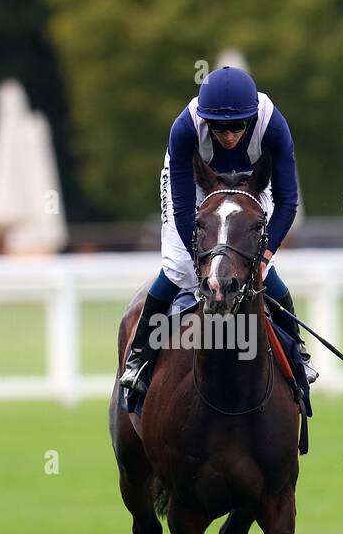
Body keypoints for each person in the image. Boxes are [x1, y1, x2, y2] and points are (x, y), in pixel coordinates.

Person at [119, 65, 317, 395]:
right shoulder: (184, 129)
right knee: (179, 269)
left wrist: (265, 256)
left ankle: (298, 354)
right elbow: (183, 210)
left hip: (251, 185)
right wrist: (205, 264)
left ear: (251, 118)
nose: (227, 135)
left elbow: (287, 204)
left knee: (261, 274)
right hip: (198, 187)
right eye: (218, 127)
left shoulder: (273, 126)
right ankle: (138, 358)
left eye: (237, 126)